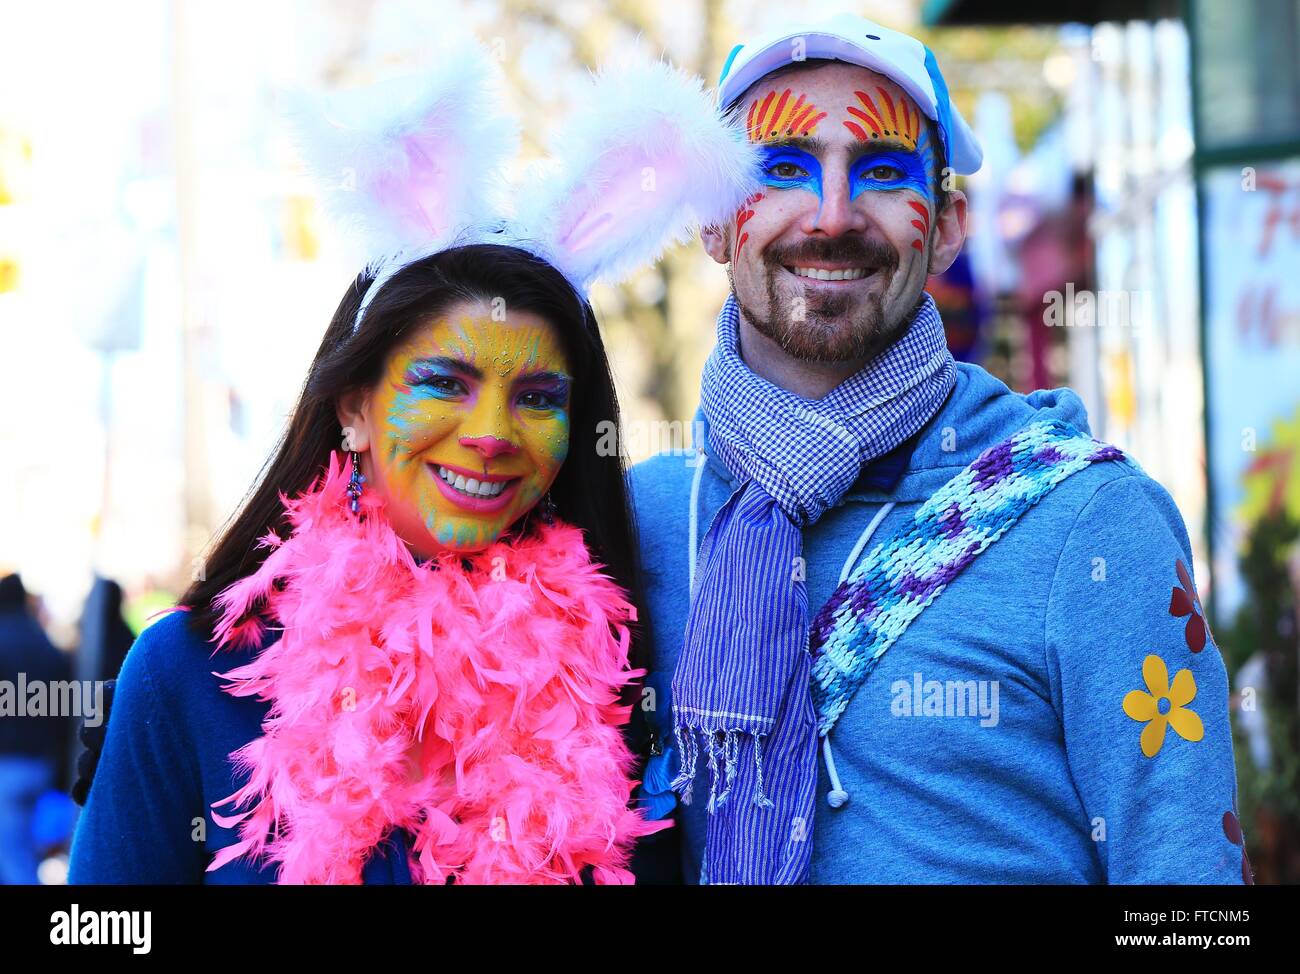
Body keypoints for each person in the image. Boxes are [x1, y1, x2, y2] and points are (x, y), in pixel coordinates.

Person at [68, 48, 758, 884]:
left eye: (539, 397)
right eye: (444, 383)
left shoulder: (621, 679)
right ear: (354, 405)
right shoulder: (187, 671)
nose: (493, 433)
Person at [630, 13, 1248, 884]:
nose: (832, 216)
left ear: (951, 224)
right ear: (713, 221)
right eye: (781, 169)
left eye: (882, 172)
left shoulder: (1089, 522)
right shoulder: (633, 528)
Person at [0, 573, 73, 884]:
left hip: (7, 762)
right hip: (42, 763)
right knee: (29, 852)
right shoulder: (44, 642)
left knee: (14, 858)